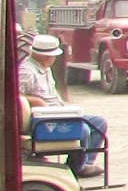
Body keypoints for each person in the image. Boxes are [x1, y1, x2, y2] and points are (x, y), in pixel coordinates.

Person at [18, 33, 109, 179]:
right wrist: (37, 102)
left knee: (99, 122)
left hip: (57, 112)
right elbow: (17, 95)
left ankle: (85, 163)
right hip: (44, 118)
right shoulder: (26, 71)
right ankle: (76, 167)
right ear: (46, 56)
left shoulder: (44, 68)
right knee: (83, 129)